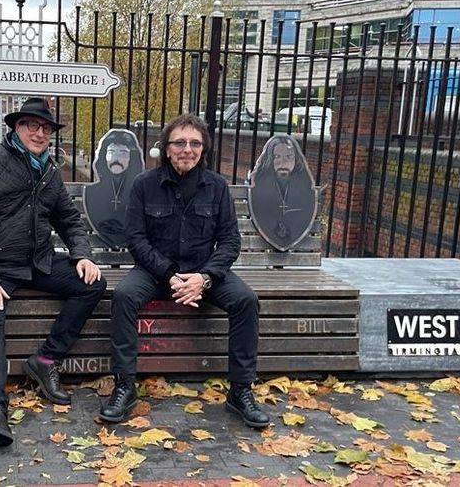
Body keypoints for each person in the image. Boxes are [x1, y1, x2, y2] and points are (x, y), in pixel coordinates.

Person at [0, 97, 106, 447]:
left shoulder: (48, 170)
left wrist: (82, 255)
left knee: (92, 284)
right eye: (32, 125)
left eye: (46, 128)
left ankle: (46, 359)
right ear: (16, 128)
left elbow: (69, 219)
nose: (39, 133)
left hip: (36, 262)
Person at [99, 113, 270, 429]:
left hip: (204, 273)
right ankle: (125, 385)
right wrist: (169, 275)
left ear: (203, 149)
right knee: (123, 296)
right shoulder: (144, 185)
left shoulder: (217, 187)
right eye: (179, 143)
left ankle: (241, 391)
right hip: (155, 272)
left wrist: (204, 278)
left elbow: (230, 241)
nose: (187, 150)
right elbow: (136, 239)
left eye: (195, 143)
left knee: (246, 300)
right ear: (166, 148)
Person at [247, 134, 316, 251]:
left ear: (296, 160)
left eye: (289, 157)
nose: (282, 162)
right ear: (270, 160)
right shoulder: (260, 187)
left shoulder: (305, 190)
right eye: (277, 157)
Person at [82, 129, 144, 249]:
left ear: (132, 158)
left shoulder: (140, 193)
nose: (116, 159)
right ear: (104, 156)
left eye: (123, 153)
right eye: (111, 152)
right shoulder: (91, 193)